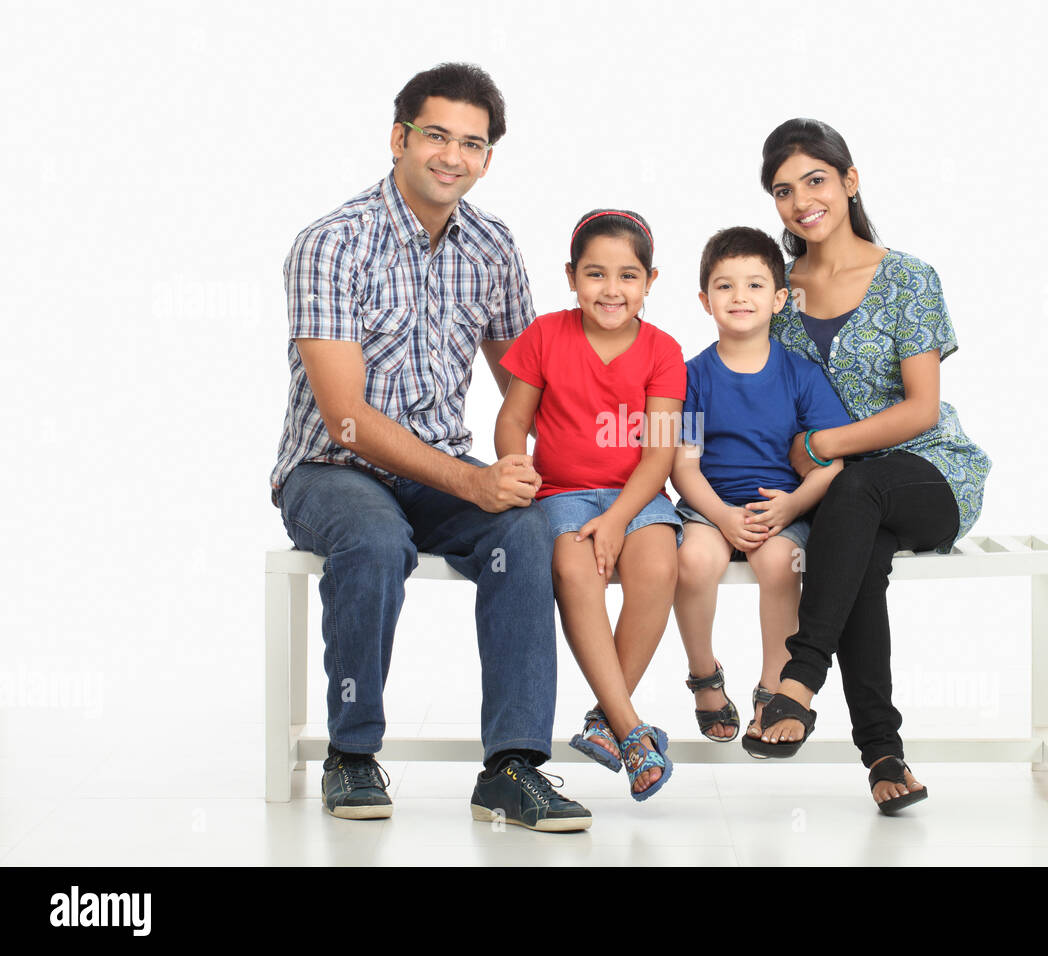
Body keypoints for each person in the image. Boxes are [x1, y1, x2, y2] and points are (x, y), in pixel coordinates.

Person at [269, 63, 592, 832]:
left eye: (471, 143)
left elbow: (530, 378)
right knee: (375, 539)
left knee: (528, 529)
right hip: (330, 468)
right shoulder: (331, 243)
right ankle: (351, 753)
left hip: (443, 469)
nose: (453, 155)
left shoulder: (492, 246)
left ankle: (513, 767)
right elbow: (344, 416)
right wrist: (470, 481)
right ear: (399, 139)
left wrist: (555, 470)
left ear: (487, 159)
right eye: (436, 135)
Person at [743, 118, 993, 815]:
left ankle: (800, 675)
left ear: (850, 182)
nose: (801, 202)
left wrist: (823, 447)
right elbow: (765, 398)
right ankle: (884, 755)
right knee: (855, 555)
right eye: (783, 190)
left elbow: (919, 409)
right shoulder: (778, 294)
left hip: (930, 474)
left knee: (858, 491)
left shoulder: (908, 278)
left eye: (815, 181)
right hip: (841, 497)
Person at [495, 209, 686, 801]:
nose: (611, 289)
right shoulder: (546, 335)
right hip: (559, 495)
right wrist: (515, 469)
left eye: (628, 276)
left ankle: (607, 723)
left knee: (657, 568)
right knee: (577, 573)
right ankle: (629, 731)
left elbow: (659, 456)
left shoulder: (663, 350)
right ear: (572, 277)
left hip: (639, 497)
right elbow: (513, 420)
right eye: (596, 274)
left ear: (650, 282)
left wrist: (618, 518)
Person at [669, 226, 852, 744]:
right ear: (705, 301)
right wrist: (723, 516)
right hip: (710, 506)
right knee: (694, 561)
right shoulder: (689, 376)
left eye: (754, 285)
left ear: (779, 299)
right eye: (725, 286)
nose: (740, 297)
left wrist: (792, 506)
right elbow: (681, 467)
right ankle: (704, 675)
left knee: (779, 564)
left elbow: (830, 464)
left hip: (780, 510)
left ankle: (774, 687)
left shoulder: (802, 374)